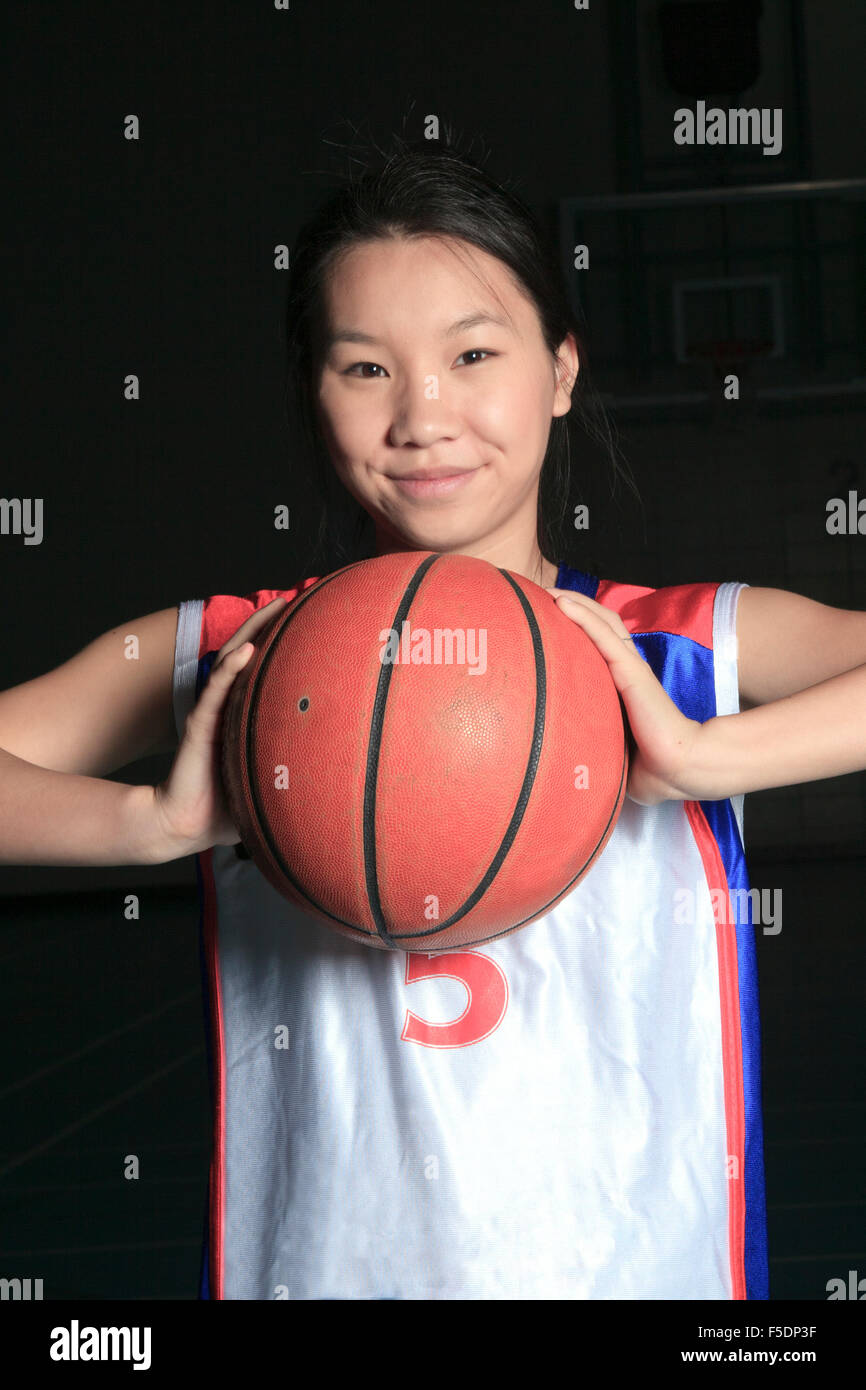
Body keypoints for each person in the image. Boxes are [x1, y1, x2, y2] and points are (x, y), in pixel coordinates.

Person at [1, 140, 864, 1301]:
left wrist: (707, 755)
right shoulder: (236, 656)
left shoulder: (676, 643)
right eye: (364, 368)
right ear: (312, 389)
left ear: (560, 369)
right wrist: (152, 821)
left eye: (471, 353)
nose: (422, 414)